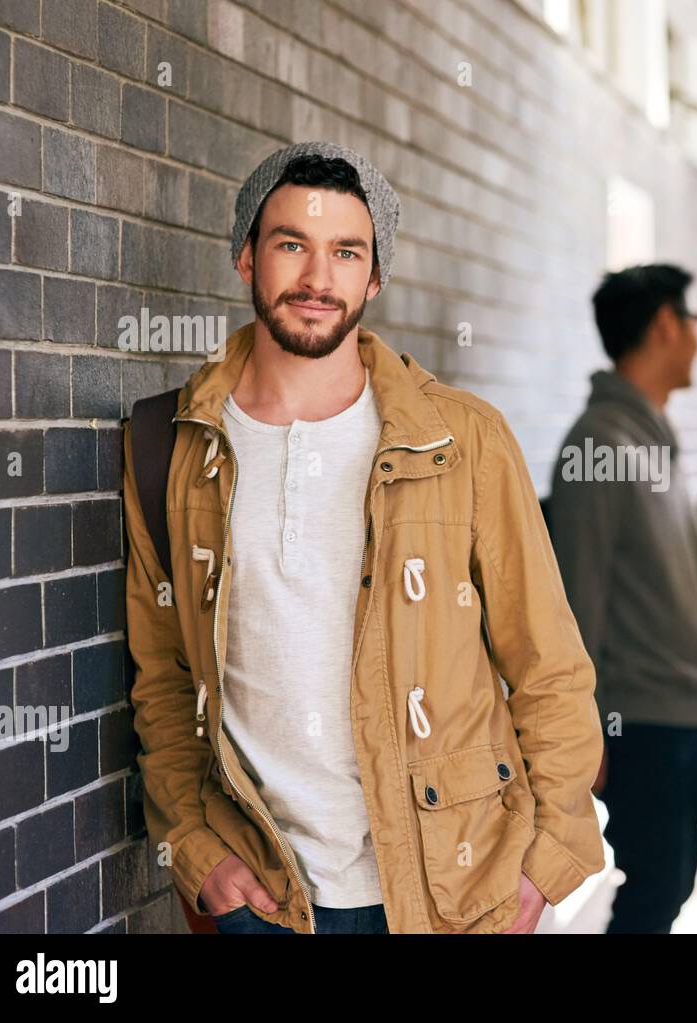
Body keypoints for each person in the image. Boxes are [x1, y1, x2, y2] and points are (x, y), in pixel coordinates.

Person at [124, 142, 605, 934]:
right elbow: (164, 682)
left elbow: (548, 665)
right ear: (246, 258)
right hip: (267, 899)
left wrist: (546, 863)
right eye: (291, 246)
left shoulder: (465, 441)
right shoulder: (170, 445)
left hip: (456, 888)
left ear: (374, 276)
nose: (319, 278)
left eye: (346, 252)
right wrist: (196, 850)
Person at [547, 264, 697, 934]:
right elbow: (576, 602)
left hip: (677, 709)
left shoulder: (654, 441)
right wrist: (584, 730)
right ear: (666, 325)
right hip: (635, 718)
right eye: (693, 323)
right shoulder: (598, 443)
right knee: (653, 893)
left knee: (670, 888)